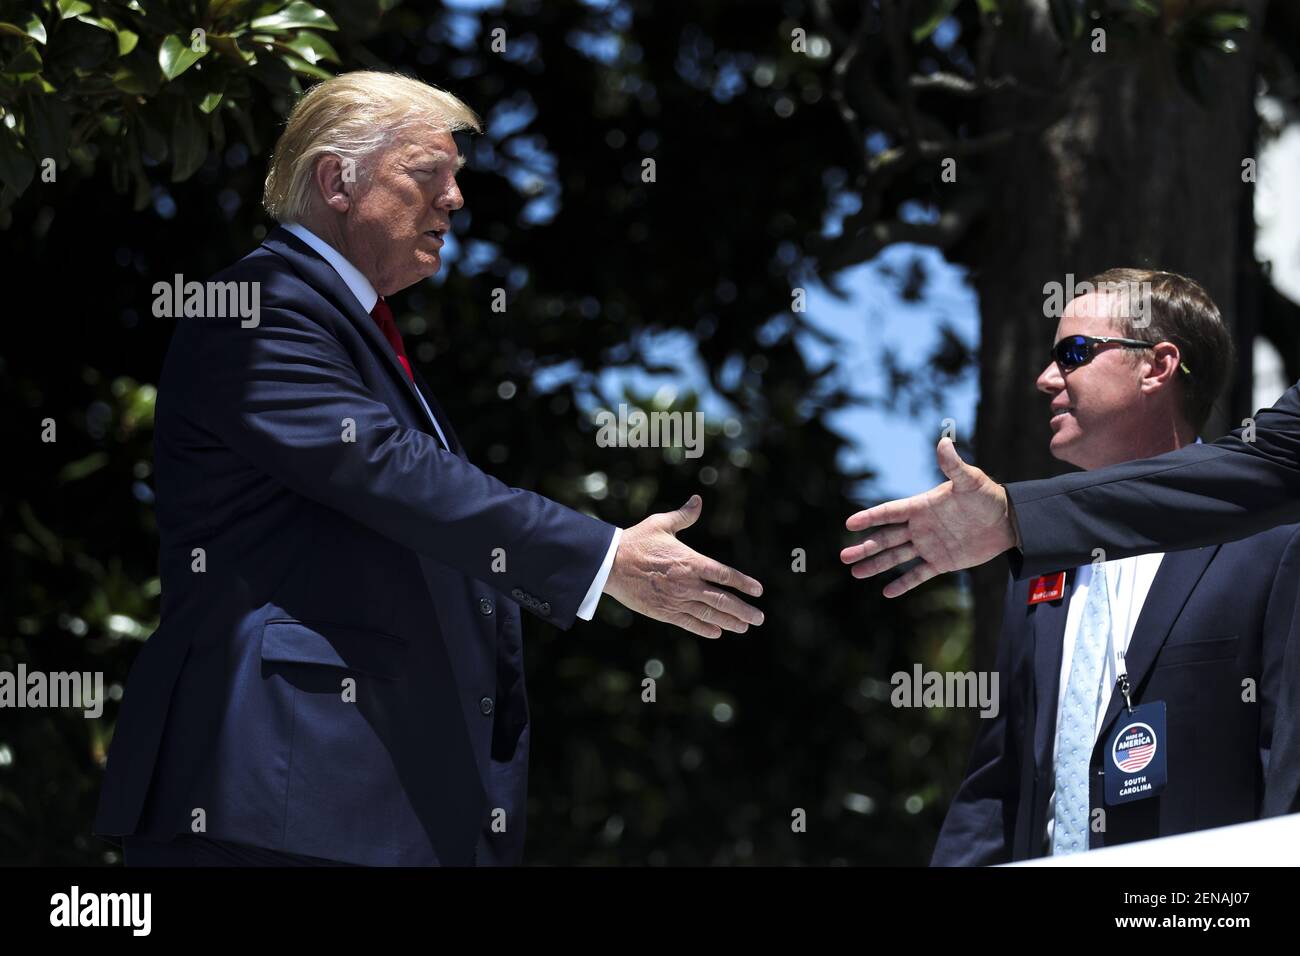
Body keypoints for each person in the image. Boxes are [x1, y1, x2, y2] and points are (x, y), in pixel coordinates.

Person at [94, 71, 764, 867]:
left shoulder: (354, 332)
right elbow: (389, 470)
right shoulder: (258, 303)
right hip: (272, 799)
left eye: (457, 178)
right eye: (428, 174)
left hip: (350, 808)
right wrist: (605, 557)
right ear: (337, 181)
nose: (453, 200)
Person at [841, 277, 1300, 818]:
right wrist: (1016, 521)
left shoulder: (1273, 540)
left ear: (1157, 366)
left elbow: (1285, 761)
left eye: (1073, 354)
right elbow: (998, 790)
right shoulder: (1043, 559)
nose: (1043, 380)